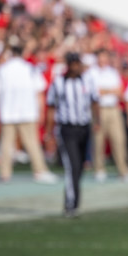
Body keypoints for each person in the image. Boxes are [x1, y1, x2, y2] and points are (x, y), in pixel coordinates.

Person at [0, 39, 55, 183]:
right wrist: (41, 110)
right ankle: (40, 171)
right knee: (32, 142)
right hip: (27, 112)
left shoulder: (2, 69)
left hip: (8, 112)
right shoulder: (30, 69)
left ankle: (5, 174)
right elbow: (39, 92)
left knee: (6, 144)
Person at [45, 52, 99, 217]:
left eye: (78, 63)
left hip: (84, 127)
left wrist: (97, 122)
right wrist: (49, 132)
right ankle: (70, 204)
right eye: (74, 64)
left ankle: (74, 202)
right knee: (72, 167)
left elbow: (94, 101)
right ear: (68, 65)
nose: (77, 67)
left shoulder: (88, 80)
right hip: (67, 129)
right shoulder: (59, 82)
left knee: (80, 167)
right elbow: (51, 107)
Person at [90, 48, 128, 181]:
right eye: (100, 57)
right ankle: (99, 169)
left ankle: (122, 169)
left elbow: (119, 91)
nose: (103, 60)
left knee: (119, 139)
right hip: (98, 108)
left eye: (104, 57)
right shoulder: (92, 72)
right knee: (98, 139)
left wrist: (105, 91)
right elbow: (95, 92)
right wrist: (110, 91)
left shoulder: (112, 72)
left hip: (113, 108)